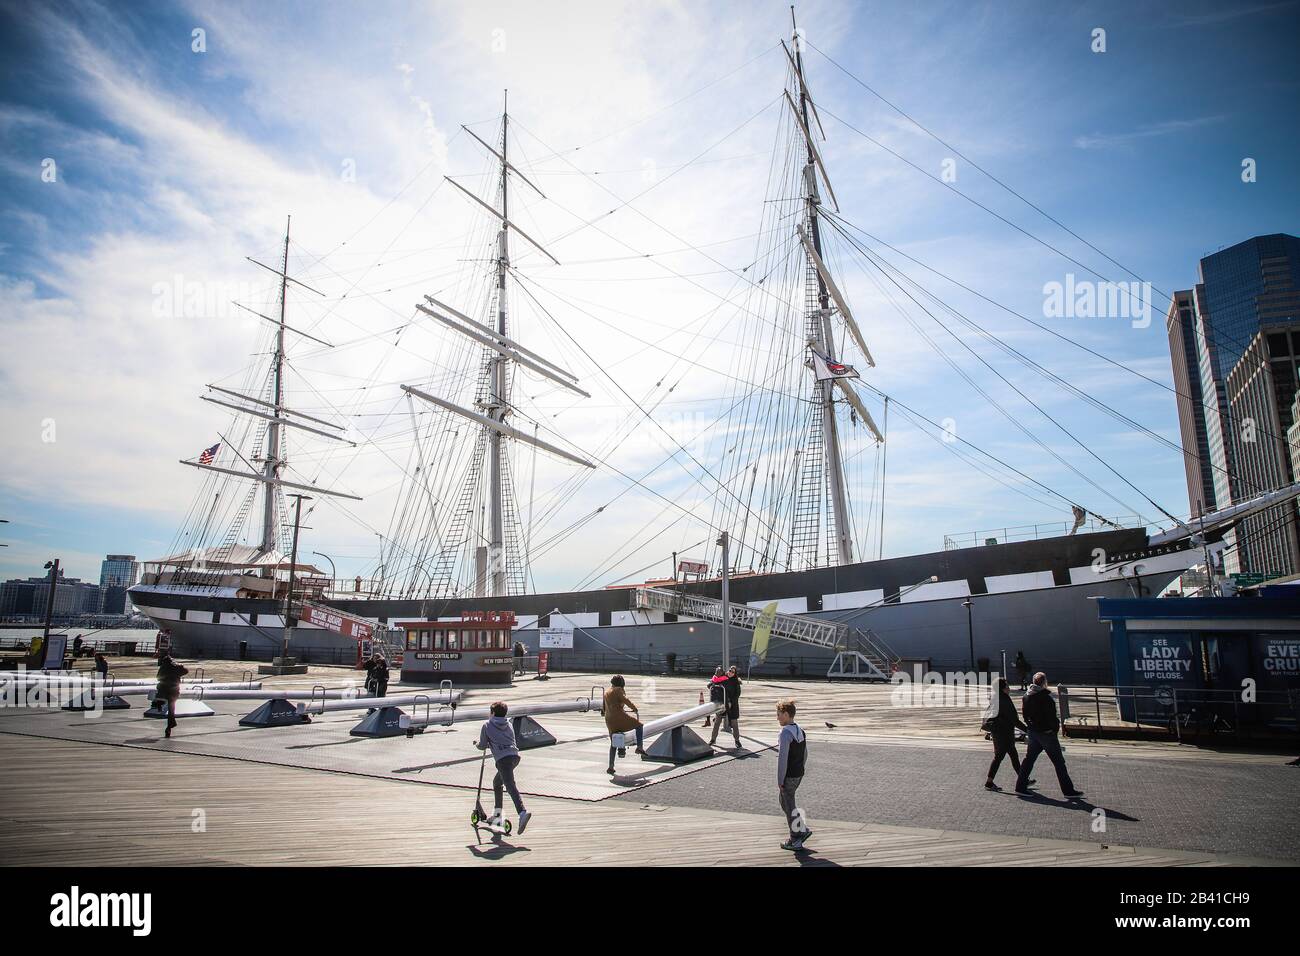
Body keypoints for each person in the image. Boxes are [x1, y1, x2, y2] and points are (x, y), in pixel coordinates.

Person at [1015, 672, 1083, 798]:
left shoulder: (1026, 696)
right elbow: (1051, 717)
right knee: (1058, 762)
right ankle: (1068, 790)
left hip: (1033, 732)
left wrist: (1030, 726)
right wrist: (1054, 729)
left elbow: (1024, 714)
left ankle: (1020, 786)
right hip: (1046, 733)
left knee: (1029, 759)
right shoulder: (1045, 698)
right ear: (1044, 683)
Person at [475, 702, 532, 834]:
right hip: (514, 757)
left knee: (510, 785)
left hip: (503, 760)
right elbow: (506, 740)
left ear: (493, 713)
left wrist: (477, 744)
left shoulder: (487, 725)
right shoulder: (509, 724)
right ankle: (497, 815)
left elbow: (483, 745)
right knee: (497, 783)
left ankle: (522, 812)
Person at [982, 678, 1031, 792]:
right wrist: (1027, 730)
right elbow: (1014, 719)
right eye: (1007, 686)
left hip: (1000, 732)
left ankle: (1023, 779)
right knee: (1000, 757)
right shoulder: (1003, 700)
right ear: (1002, 688)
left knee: (1013, 756)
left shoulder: (997, 698)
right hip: (1003, 733)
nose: (1009, 688)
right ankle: (989, 782)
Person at [776, 699, 811, 851]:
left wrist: (780, 780)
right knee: (785, 802)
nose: (777, 717)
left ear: (786, 714)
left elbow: (782, 759)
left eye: (778, 714)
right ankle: (801, 829)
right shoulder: (799, 730)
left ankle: (795, 838)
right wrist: (801, 768)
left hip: (788, 775)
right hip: (798, 774)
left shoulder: (785, 733)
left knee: (788, 805)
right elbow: (805, 753)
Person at [602, 674, 644, 774]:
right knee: (639, 725)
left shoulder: (607, 692)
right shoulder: (618, 690)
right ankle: (639, 747)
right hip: (619, 717)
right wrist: (634, 708)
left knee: (613, 744)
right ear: (621, 683)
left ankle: (610, 766)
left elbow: (603, 707)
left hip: (609, 720)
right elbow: (626, 700)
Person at [708, 664, 743, 749]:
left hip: (732, 705)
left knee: (734, 723)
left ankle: (737, 740)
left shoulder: (736, 682)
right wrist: (711, 684)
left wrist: (731, 703)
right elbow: (713, 682)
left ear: (735, 674)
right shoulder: (723, 678)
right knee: (717, 722)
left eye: (733, 672)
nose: (730, 672)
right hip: (722, 704)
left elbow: (737, 695)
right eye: (730, 671)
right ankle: (713, 739)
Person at [155, 652, 188, 738]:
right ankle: (170, 726)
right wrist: (178, 666)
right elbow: (186, 671)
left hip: (164, 689)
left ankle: (159, 704)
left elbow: (158, 677)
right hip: (174, 690)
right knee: (171, 708)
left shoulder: (163, 668)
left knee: (160, 697)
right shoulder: (176, 667)